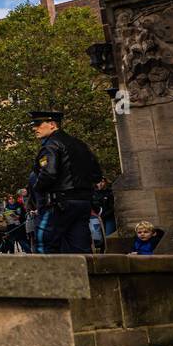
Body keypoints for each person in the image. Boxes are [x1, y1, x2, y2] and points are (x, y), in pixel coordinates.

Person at [29, 109, 103, 254]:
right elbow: (96, 175)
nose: (34, 128)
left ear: (52, 124)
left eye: (38, 124)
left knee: (45, 244)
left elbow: (48, 174)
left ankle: (49, 276)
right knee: (81, 248)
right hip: (82, 203)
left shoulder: (51, 145)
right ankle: (84, 275)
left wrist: (37, 190)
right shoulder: (80, 144)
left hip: (58, 204)